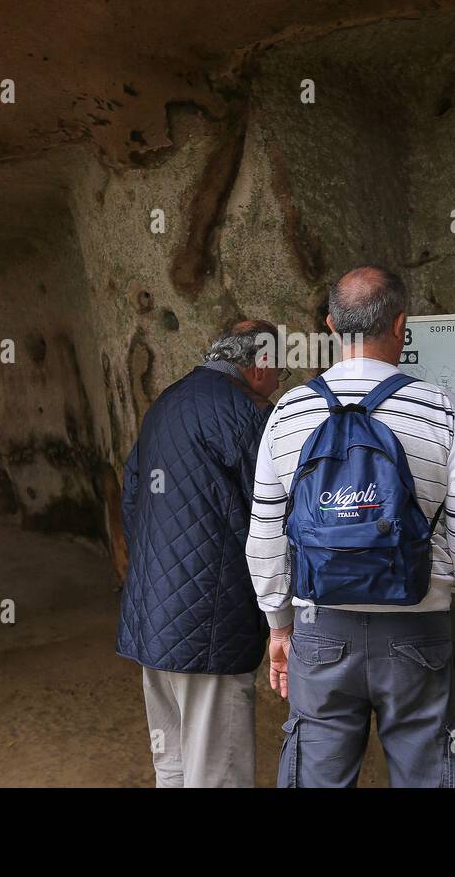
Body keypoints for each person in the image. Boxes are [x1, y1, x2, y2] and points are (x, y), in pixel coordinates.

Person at [245, 266, 455, 787]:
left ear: (330, 325)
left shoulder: (287, 414)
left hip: (319, 631)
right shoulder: (441, 412)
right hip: (419, 633)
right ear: (400, 325)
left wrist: (279, 626)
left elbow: (264, 538)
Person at [117, 319, 282, 787]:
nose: (277, 385)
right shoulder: (240, 415)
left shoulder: (165, 404)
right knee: (218, 769)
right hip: (210, 622)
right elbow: (269, 516)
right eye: (279, 373)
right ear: (259, 365)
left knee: (172, 762)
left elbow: (132, 498)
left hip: (152, 612)